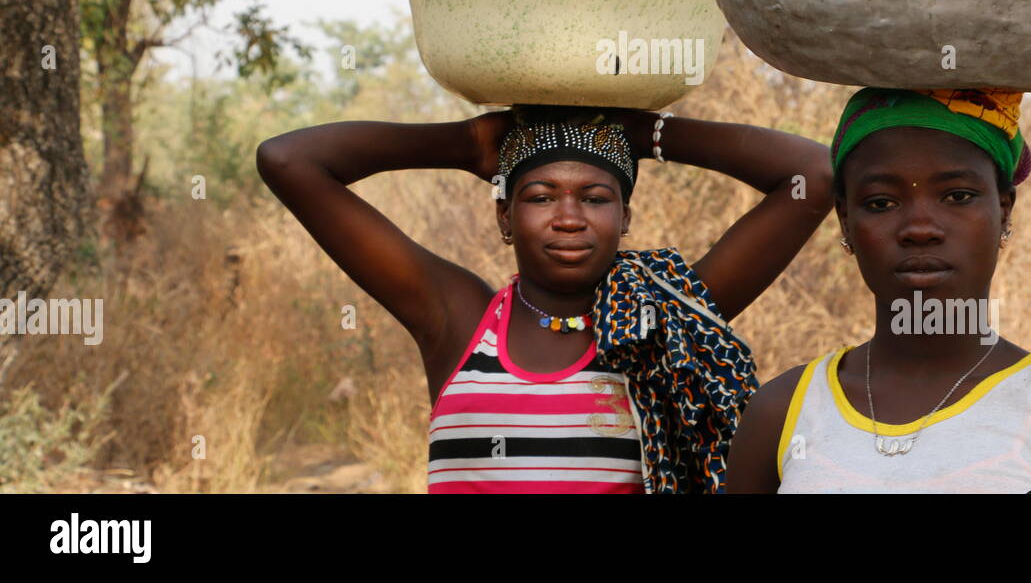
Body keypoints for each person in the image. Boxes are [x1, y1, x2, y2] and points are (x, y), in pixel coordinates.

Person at [256, 104, 832, 493]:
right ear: (505, 216)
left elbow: (814, 173)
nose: (569, 218)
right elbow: (289, 161)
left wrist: (648, 134)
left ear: (625, 216)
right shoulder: (458, 319)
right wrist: (464, 143)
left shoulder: (665, 320)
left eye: (596, 197)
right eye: (540, 195)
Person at [726, 87, 1031, 493]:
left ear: (1003, 211)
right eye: (881, 203)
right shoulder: (781, 416)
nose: (920, 228)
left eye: (957, 195)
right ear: (845, 223)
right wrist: (658, 131)